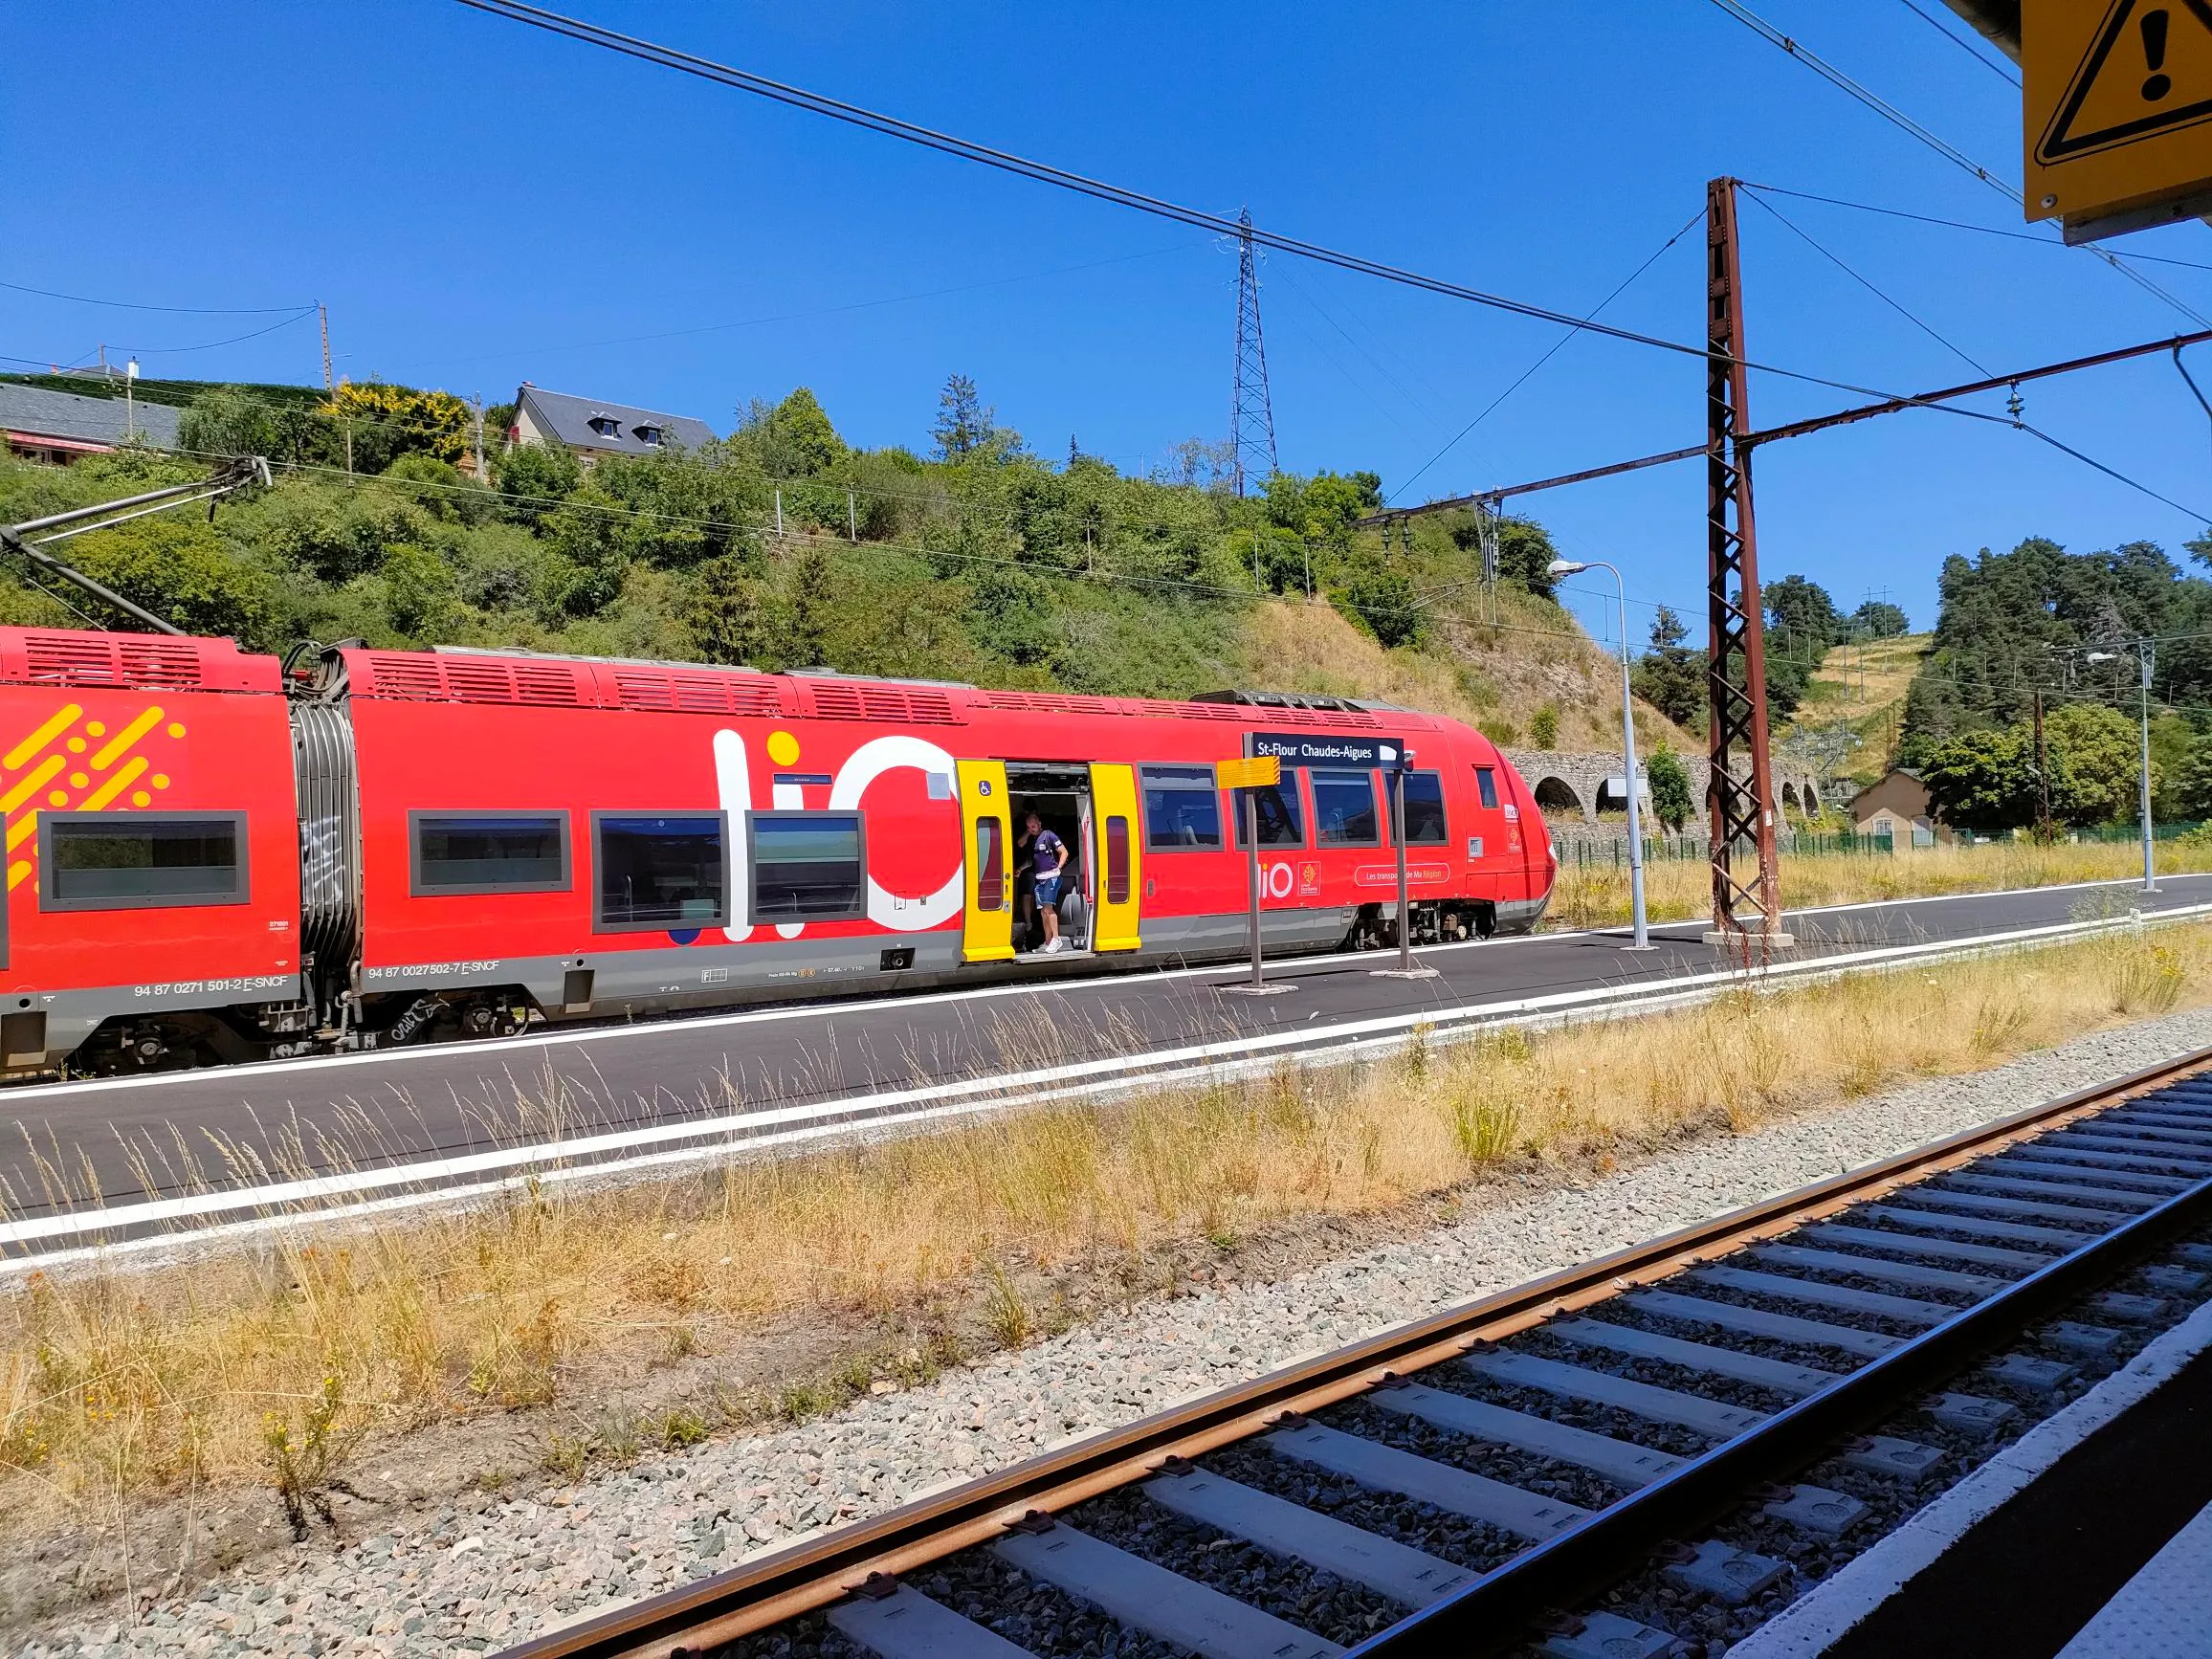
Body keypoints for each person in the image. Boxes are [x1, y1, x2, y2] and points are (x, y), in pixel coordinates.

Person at [1023, 809, 1070, 953]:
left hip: (1051, 876)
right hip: (1040, 878)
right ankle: (1048, 941)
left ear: (1039, 823)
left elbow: (1064, 852)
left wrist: (1059, 868)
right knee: (1043, 911)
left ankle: (1057, 939)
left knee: (1048, 909)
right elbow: (1032, 858)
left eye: (1034, 826)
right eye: (1029, 827)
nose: (1032, 829)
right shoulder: (1032, 840)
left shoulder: (1048, 835)